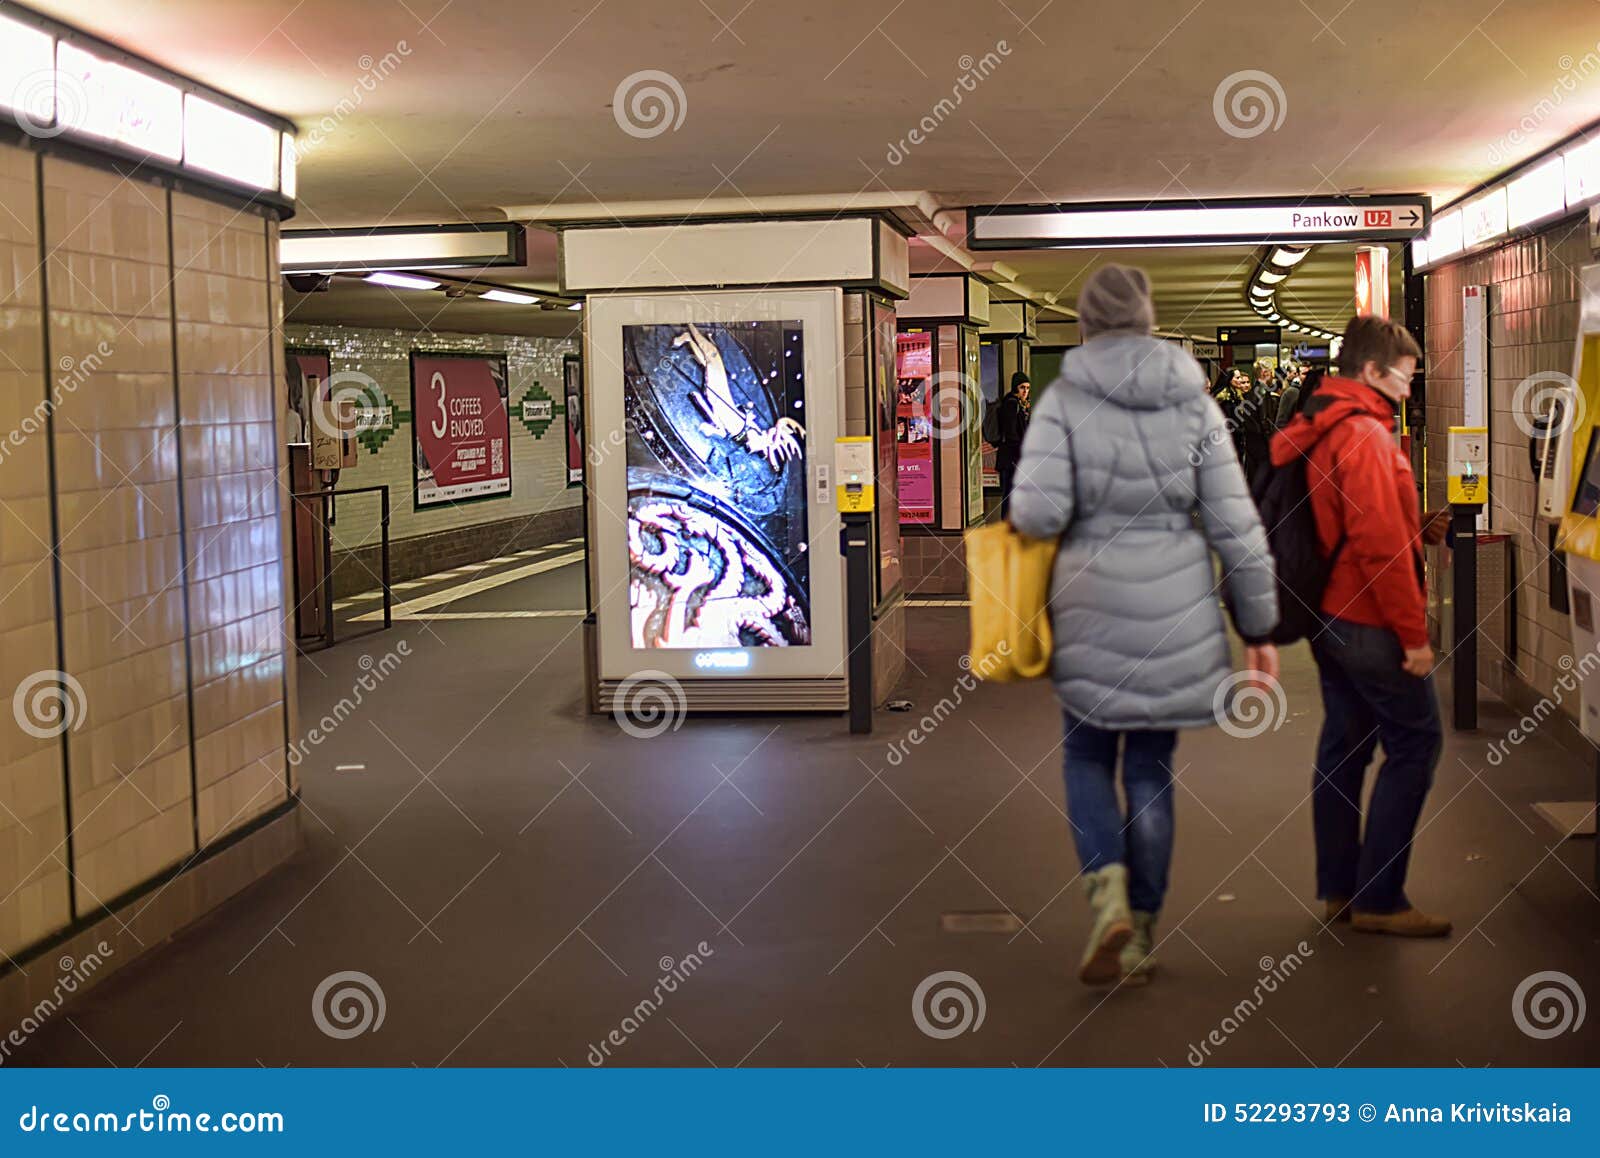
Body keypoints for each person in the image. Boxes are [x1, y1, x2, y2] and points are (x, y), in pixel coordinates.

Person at [1010, 265, 1280, 986]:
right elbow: (1237, 526)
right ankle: (1144, 930)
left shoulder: (1064, 401)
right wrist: (1258, 628)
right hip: (1175, 608)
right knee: (1152, 769)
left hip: (1090, 601)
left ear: (1086, 326)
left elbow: (1033, 514)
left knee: (1087, 758)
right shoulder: (1193, 405)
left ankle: (1108, 900)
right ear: (1149, 320)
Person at [1269, 315, 1450, 937]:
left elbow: (1356, 520)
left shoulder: (1323, 425)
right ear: (1372, 371)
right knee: (1416, 743)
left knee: (1344, 746)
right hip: (1368, 618)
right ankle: (1381, 897)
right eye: (1404, 376)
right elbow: (1378, 549)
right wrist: (1415, 637)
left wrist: (1416, 521)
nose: (1409, 387)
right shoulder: (1368, 438)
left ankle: (1341, 890)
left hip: (1329, 614)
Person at [995, 371, 1031, 515]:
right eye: (1022, 387)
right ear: (1015, 387)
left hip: (1014, 457)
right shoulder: (1011, 404)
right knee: (1010, 495)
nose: (1025, 391)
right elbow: (1011, 433)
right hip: (1011, 458)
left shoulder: (1022, 406)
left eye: (1028, 388)